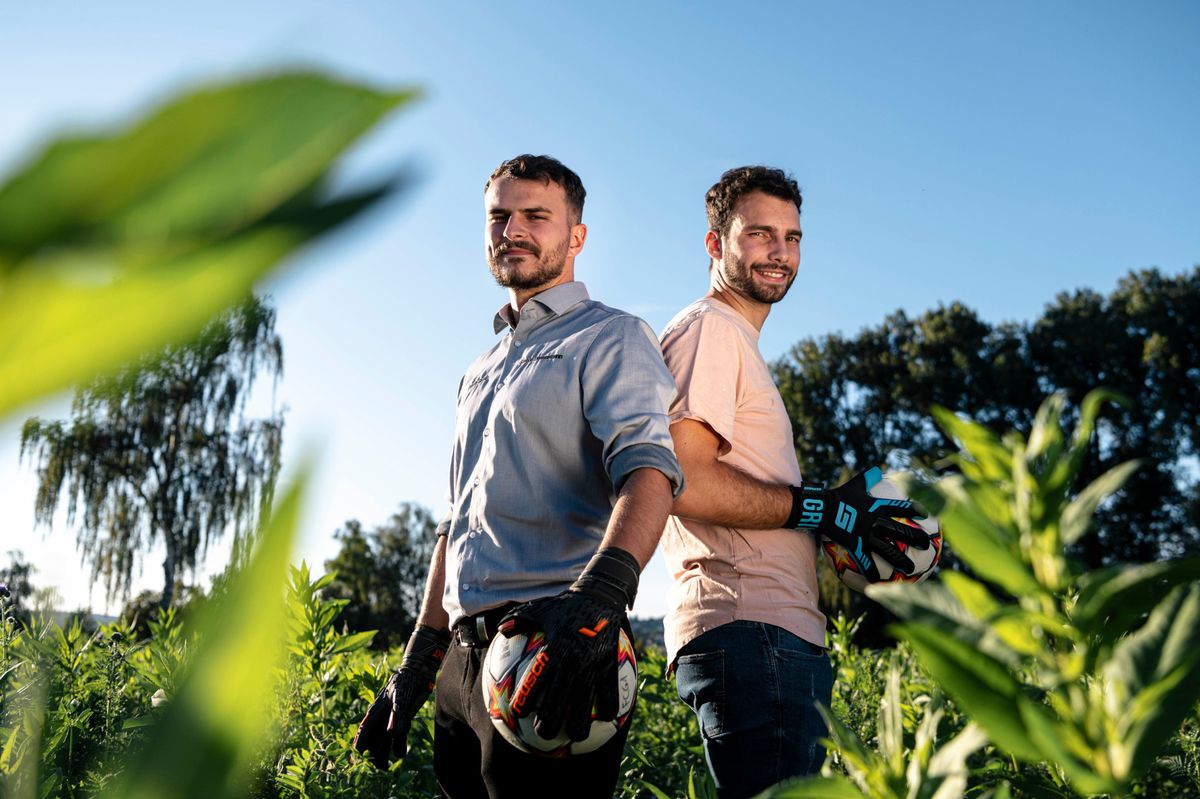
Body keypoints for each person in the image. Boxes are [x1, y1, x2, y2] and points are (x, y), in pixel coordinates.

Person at [353, 154, 683, 799]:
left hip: (557, 648)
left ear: (576, 237)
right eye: (500, 216)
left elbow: (649, 469)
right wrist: (421, 654)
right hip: (462, 661)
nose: (514, 230)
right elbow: (455, 521)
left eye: (536, 215)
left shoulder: (610, 336)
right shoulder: (479, 368)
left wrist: (602, 598)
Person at [659, 166, 929, 799]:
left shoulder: (735, 341)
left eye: (792, 237)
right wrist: (824, 511)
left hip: (767, 637)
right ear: (714, 244)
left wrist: (836, 526)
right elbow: (685, 481)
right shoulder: (711, 332)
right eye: (759, 234)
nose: (779, 251)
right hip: (752, 633)